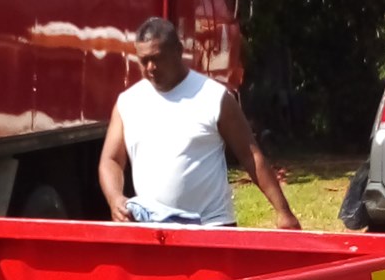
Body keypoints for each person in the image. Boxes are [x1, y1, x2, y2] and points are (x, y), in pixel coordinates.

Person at [100, 18, 301, 230]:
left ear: (178, 51)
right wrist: (115, 198)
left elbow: (250, 156)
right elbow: (111, 159)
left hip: (211, 227)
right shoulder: (128, 102)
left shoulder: (213, 97)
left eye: (158, 58)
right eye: (144, 60)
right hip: (153, 230)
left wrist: (284, 212)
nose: (151, 67)